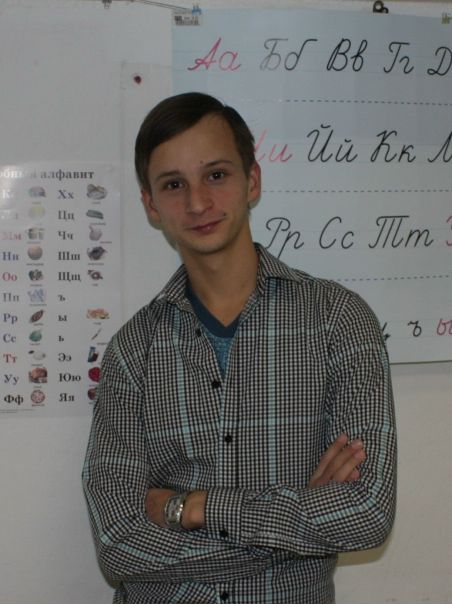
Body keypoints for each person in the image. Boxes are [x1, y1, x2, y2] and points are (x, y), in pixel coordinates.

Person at [82, 92, 396, 604]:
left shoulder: (338, 321)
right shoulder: (132, 351)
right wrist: (298, 525)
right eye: (174, 184)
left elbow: (366, 513)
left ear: (252, 180)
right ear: (151, 205)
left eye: (216, 175)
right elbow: (118, 546)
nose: (197, 203)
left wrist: (190, 508)